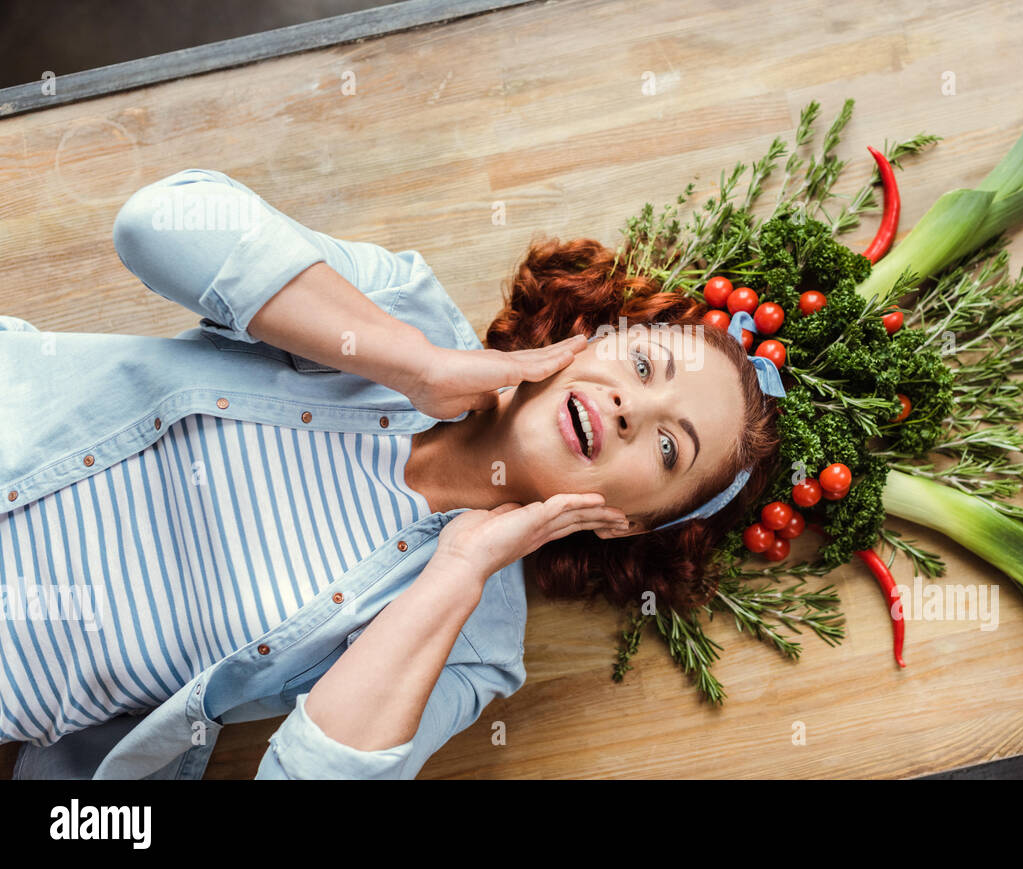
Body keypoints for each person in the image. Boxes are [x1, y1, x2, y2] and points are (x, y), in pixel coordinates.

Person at [0, 167, 781, 779]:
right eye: (643, 362)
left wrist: (461, 566)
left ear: (631, 522)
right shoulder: (400, 306)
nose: (628, 408)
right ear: (594, 338)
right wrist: (416, 363)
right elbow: (156, 220)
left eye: (670, 447)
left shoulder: (474, 648)